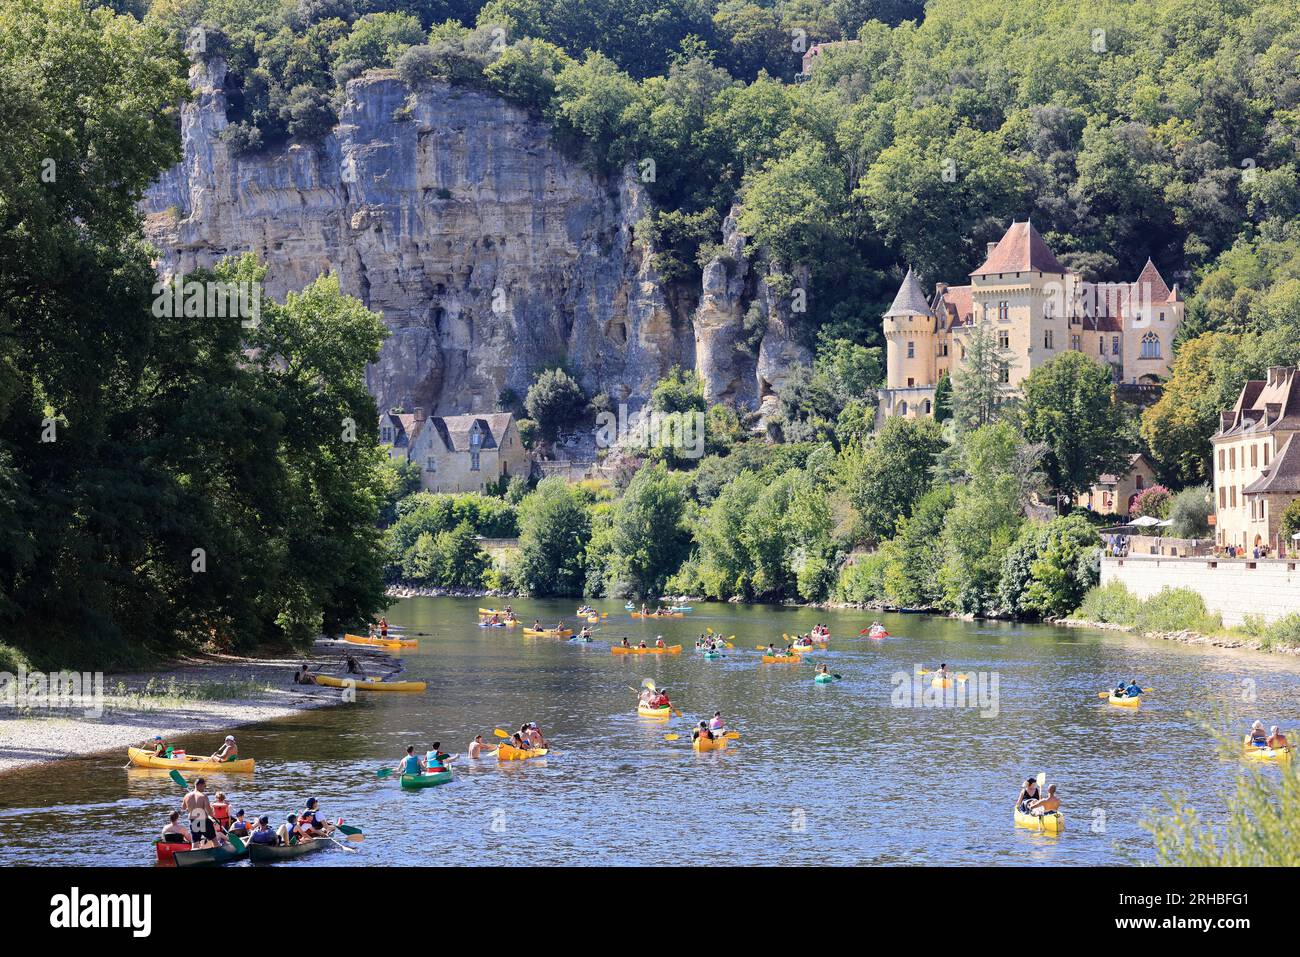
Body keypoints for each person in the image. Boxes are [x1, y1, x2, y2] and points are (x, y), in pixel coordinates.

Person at [182, 777, 217, 847]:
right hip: (203, 821)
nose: (204, 788)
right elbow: (209, 812)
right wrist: (213, 814)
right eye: (204, 786)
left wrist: (191, 806)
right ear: (200, 785)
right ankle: (219, 854)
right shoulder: (203, 796)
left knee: (195, 843)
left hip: (194, 821)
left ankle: (193, 856)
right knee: (215, 841)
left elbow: (183, 808)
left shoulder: (186, 796)